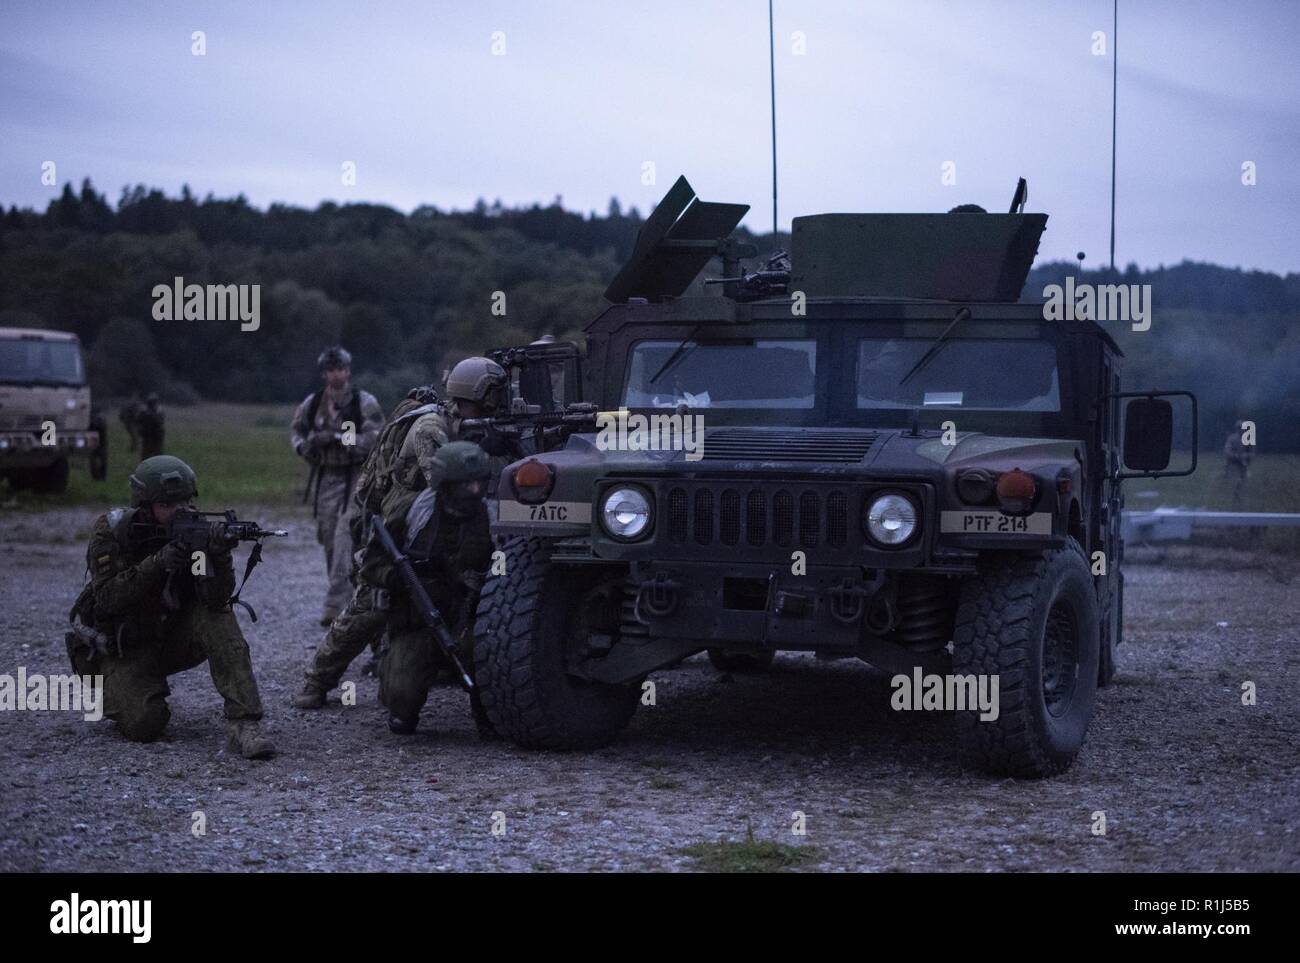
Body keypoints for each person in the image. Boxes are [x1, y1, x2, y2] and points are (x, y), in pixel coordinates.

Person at [290, 357, 512, 711]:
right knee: (371, 606)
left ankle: (405, 659)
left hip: (435, 520)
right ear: (479, 394)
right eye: (493, 396)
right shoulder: (430, 428)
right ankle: (318, 679)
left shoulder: (464, 424)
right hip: (399, 523)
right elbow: (442, 482)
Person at [67, 455, 275, 758]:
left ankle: (244, 725)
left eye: (186, 502)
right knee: (146, 724)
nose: (181, 511)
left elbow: (216, 601)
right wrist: (157, 563)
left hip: (168, 639)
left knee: (218, 616)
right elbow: (108, 599)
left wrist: (217, 555)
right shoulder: (113, 531)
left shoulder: (196, 531)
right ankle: (116, 688)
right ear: (145, 505)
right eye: (169, 505)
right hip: (123, 647)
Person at [358, 442, 493, 734]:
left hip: (472, 621)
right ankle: (397, 684)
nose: (474, 492)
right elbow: (371, 563)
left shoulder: (493, 519)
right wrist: (396, 578)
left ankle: (489, 712)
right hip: (417, 621)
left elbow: (510, 570)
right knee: (401, 696)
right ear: (445, 485)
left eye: (479, 484)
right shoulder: (414, 512)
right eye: (465, 485)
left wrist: (485, 581)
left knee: (492, 665)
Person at [291, 346, 384, 625]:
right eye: (330, 370)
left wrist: (338, 439)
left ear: (348, 370)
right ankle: (352, 598)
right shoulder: (313, 402)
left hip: (356, 476)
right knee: (329, 539)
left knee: (345, 537)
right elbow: (297, 432)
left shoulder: (363, 402)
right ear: (324, 373)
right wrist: (307, 446)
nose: (336, 374)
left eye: (340, 368)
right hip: (326, 478)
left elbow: (376, 437)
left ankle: (334, 606)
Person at [1223, 421, 1253, 508]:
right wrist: (1236, 456)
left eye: (1243, 428)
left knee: (1243, 481)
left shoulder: (1248, 439)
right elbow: (1227, 451)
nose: (1241, 429)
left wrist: (1245, 457)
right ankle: (1232, 497)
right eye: (1239, 428)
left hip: (1243, 464)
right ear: (1236, 428)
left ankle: (1238, 496)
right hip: (1233, 463)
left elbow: (1251, 452)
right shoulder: (1231, 439)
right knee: (1234, 480)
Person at [136, 393, 165, 460]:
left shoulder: (156, 412)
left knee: (154, 451)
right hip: (149, 434)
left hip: (154, 434)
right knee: (148, 452)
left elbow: (160, 422)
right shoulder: (147, 412)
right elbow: (139, 422)